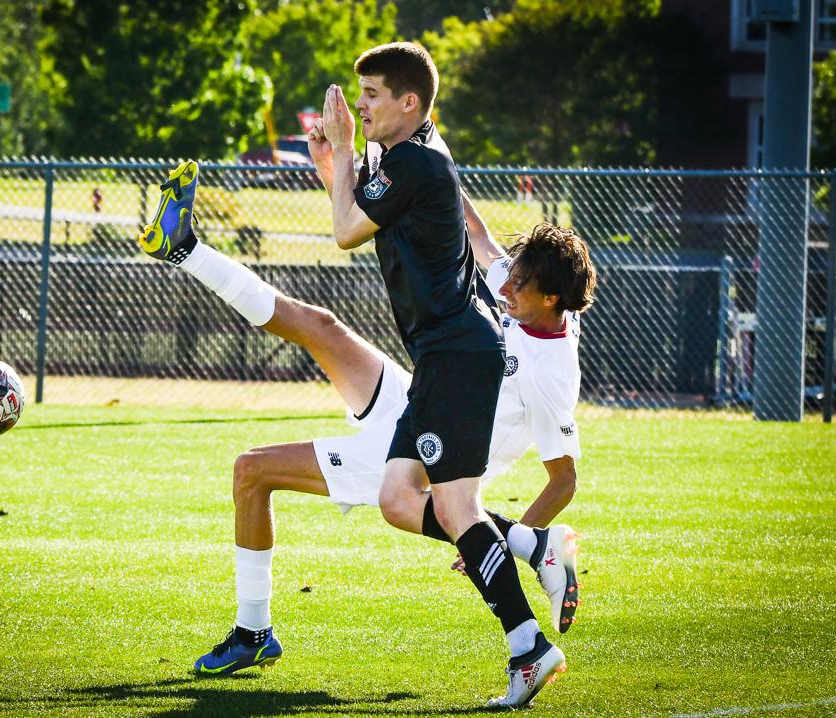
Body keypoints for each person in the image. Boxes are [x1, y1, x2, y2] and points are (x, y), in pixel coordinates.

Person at [137, 44, 594, 710]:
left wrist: (346, 153)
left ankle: (526, 640)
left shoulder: (414, 160)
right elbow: (376, 212)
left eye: (374, 93)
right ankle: (531, 556)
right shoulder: (413, 156)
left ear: (410, 103)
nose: (362, 106)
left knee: (437, 505)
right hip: (438, 362)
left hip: (455, 359)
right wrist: (340, 164)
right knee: (395, 494)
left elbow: (347, 230)